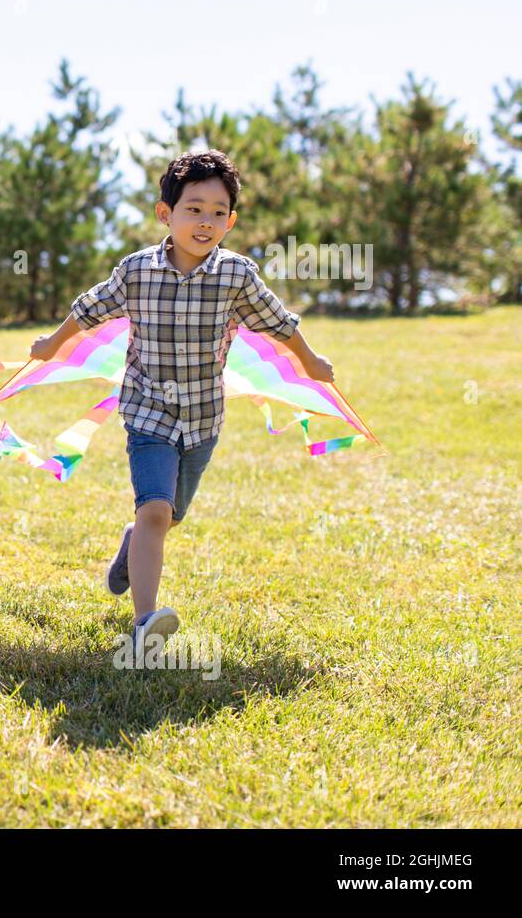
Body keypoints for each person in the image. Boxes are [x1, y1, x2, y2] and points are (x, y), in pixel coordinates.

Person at [29, 150, 336, 658]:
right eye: (194, 209)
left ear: (231, 221)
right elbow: (89, 308)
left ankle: (134, 542)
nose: (206, 221)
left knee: (171, 515)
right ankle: (145, 623)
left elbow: (279, 321)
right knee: (154, 509)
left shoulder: (236, 275)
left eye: (218, 212)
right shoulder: (136, 271)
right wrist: (53, 343)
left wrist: (309, 360)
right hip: (147, 411)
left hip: (203, 417)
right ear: (165, 214)